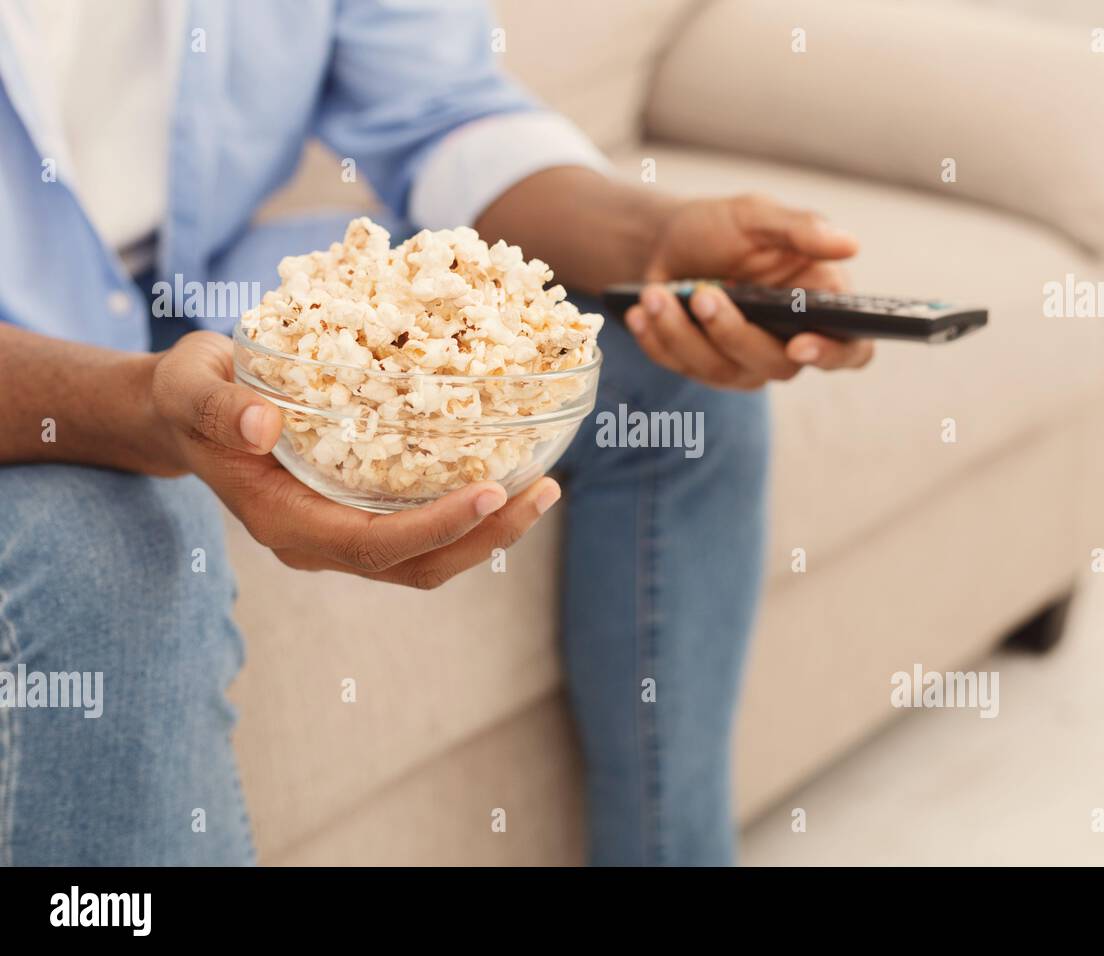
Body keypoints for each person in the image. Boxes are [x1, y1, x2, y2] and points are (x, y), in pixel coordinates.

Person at [0, 0, 872, 866]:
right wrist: (139, 408)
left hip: (192, 282)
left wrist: (653, 239)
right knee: (110, 551)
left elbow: (441, 109)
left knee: (664, 382)